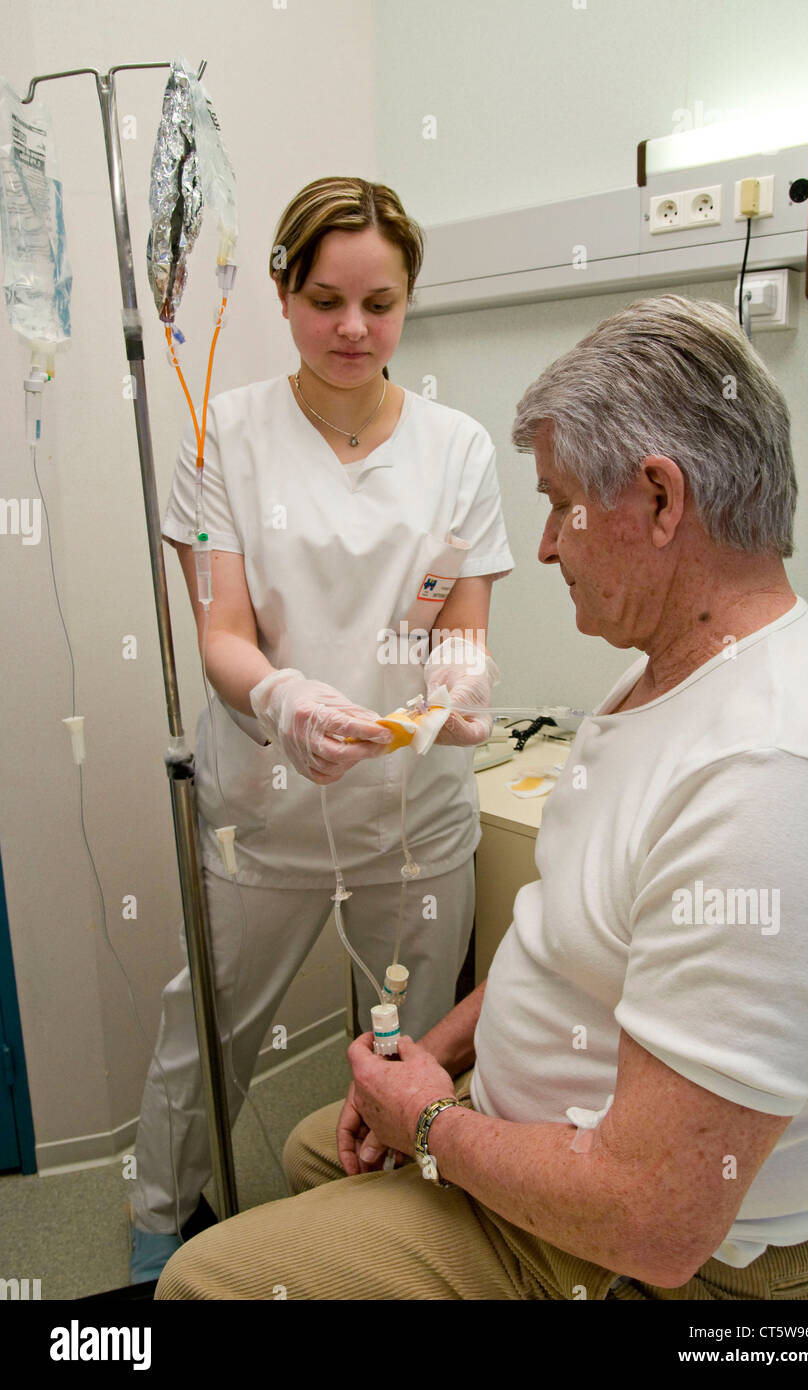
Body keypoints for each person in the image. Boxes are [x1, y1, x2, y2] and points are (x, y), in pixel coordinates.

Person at [155, 294, 808, 1300]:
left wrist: (432, 1123)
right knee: (319, 1146)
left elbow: (654, 1222)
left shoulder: (766, 780)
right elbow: (574, 941)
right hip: (558, 1125)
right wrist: (437, 1053)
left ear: (660, 501)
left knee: (201, 1281)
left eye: (560, 502)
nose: (543, 547)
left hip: (654, 1262)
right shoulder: (669, 675)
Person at [128, 177, 514, 1281]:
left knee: (409, 1041)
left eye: (380, 304)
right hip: (267, 804)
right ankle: (161, 1212)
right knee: (204, 1032)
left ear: (407, 304)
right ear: (285, 293)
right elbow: (223, 632)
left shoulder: (458, 447)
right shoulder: (226, 435)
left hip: (414, 814)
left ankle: (388, 1237)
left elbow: (463, 621)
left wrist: (461, 685)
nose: (353, 329)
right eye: (326, 300)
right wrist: (283, 699)